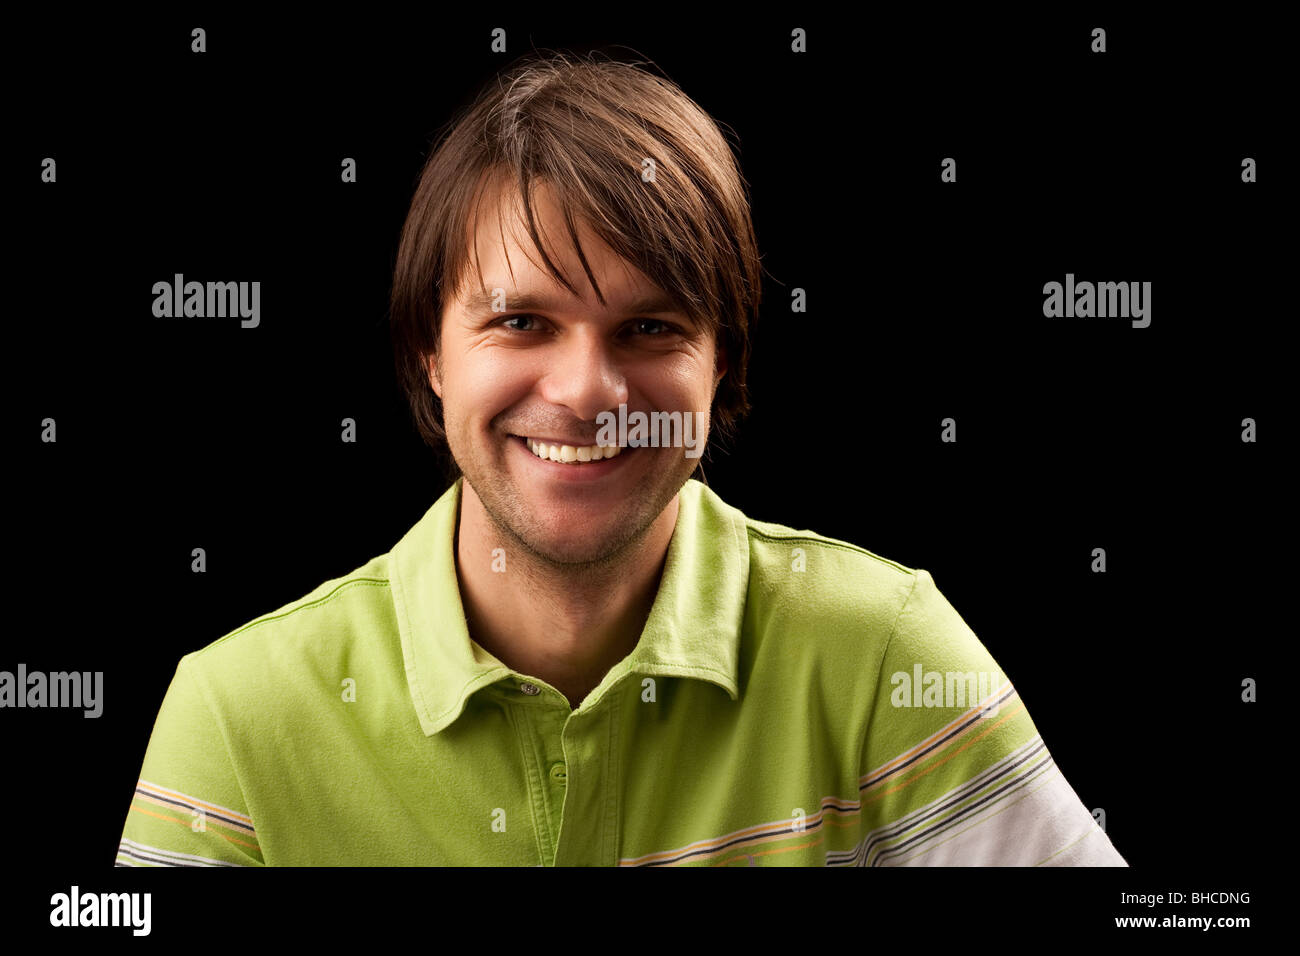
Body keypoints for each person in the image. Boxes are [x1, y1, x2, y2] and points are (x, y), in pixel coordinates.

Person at [116, 50, 1126, 867]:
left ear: (722, 356)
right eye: (520, 320)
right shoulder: (237, 718)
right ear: (429, 352)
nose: (588, 389)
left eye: (648, 326)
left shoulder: (881, 650)